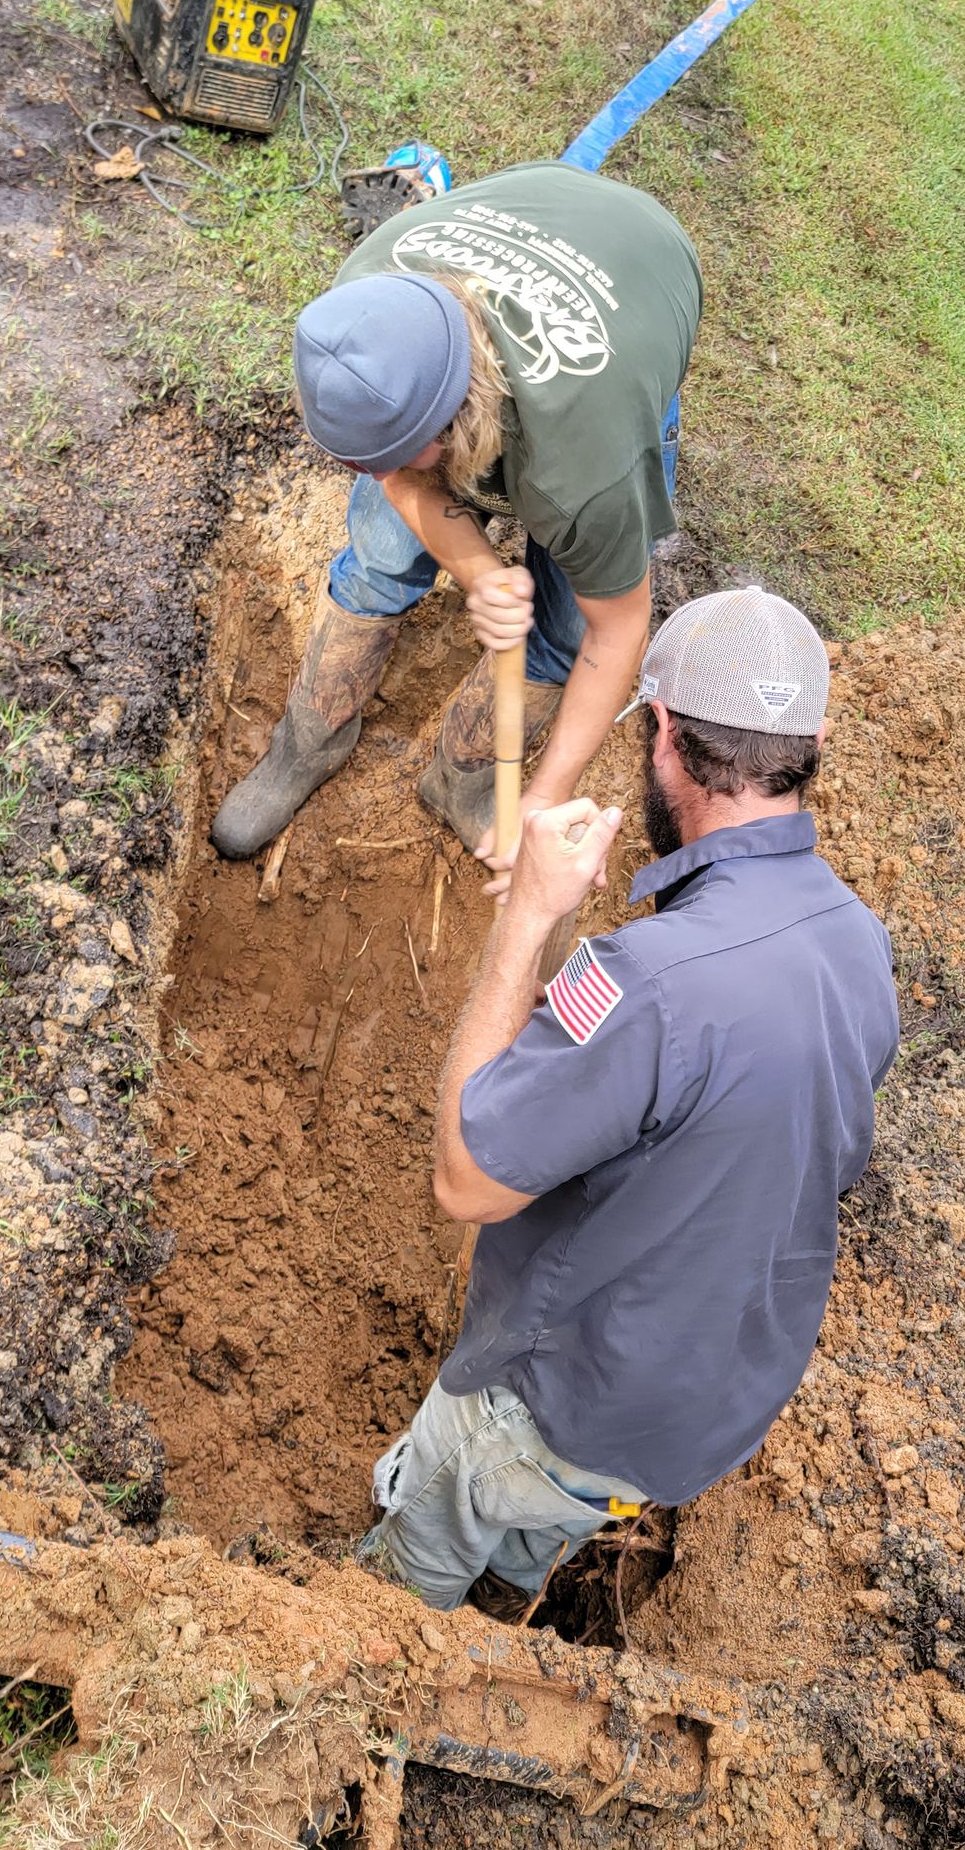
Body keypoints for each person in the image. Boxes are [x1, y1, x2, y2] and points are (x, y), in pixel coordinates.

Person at [359, 586, 900, 1611]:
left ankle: (400, 1627)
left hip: (558, 1404)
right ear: (815, 740)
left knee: (422, 1554)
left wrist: (527, 917)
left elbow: (467, 1180)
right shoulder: (860, 945)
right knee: (544, 1527)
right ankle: (509, 1596)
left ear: (661, 733)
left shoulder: (649, 983)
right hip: (699, 1414)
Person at [209, 160, 701, 867]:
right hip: (539, 206)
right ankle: (308, 741)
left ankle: (461, 777)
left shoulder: (586, 462)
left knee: (562, 627)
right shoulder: (363, 314)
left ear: (457, 425)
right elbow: (396, 479)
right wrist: (476, 571)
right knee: (380, 555)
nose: (382, 475)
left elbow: (615, 631)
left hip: (637, 276)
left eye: (401, 453)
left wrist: (544, 794)